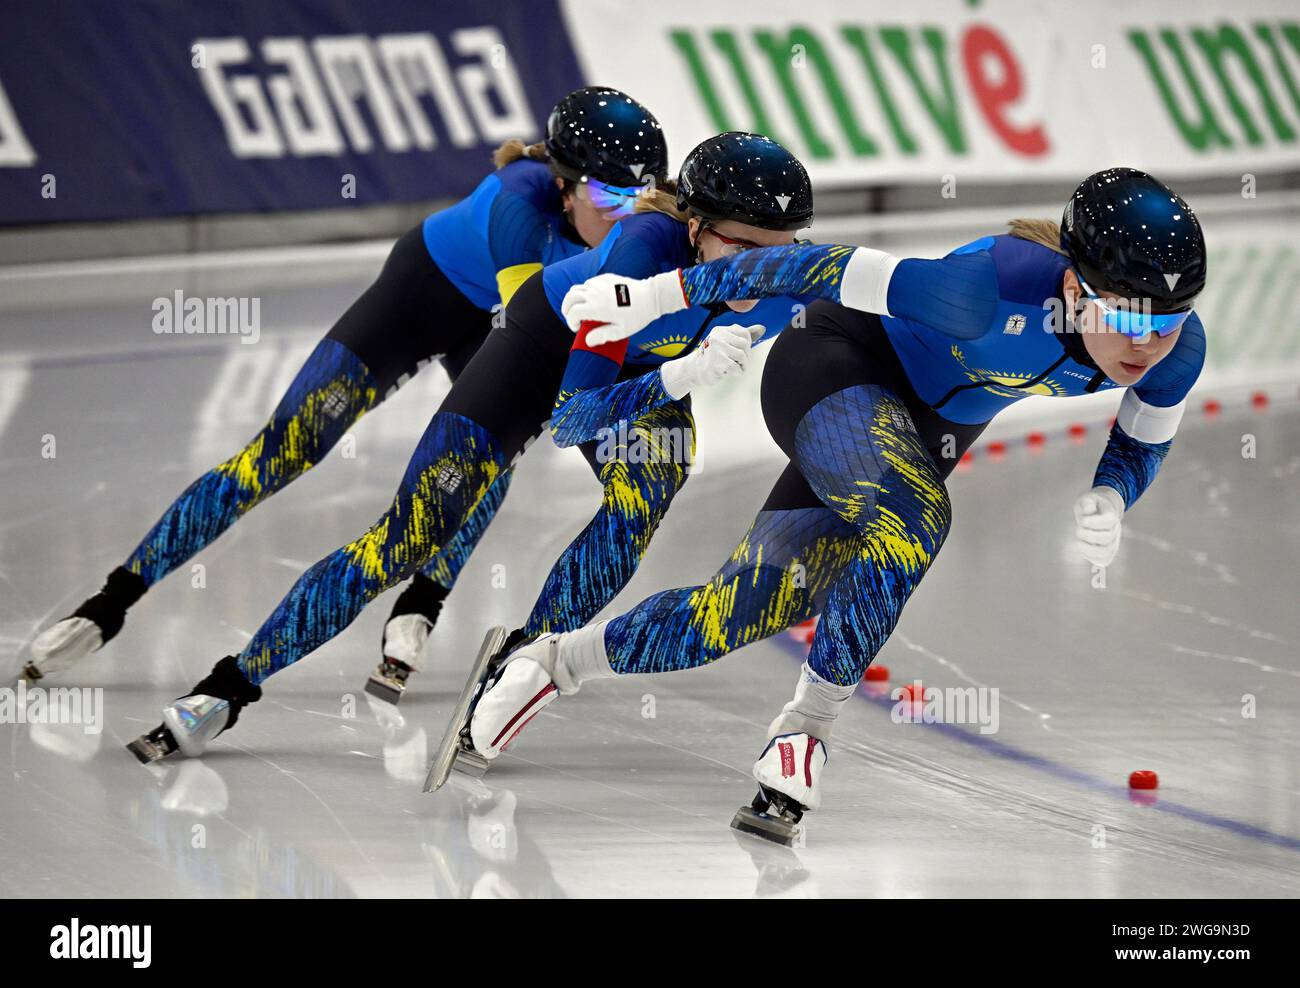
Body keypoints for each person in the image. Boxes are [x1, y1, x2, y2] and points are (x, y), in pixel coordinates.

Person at [468, 168, 1208, 842]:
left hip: (923, 434)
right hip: (832, 366)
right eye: (1134, 320)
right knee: (919, 519)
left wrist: (1112, 494)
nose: (1149, 345)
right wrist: (656, 296)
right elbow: (813, 265)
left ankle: (553, 661)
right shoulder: (987, 288)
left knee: (742, 608)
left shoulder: (1175, 348)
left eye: (1168, 321)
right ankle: (805, 732)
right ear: (1074, 289)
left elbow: (1141, 442)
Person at [127, 132, 819, 762]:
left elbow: (881, 298)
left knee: (645, 497)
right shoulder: (640, 253)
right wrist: (682, 373)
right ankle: (229, 687)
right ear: (694, 228)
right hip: (546, 348)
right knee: (409, 535)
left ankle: (521, 668)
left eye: (780, 249)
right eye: (744, 248)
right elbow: (575, 420)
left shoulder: (788, 273)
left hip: (642, 370)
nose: (761, 269)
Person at [27, 87, 660, 704]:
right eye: (607, 192)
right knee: (283, 450)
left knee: (484, 460)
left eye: (638, 194)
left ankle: (420, 603)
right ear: (562, 181)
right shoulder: (519, 201)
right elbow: (534, 325)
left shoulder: (634, 222)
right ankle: (110, 602)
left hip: (502, 319)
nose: (623, 210)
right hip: (426, 296)